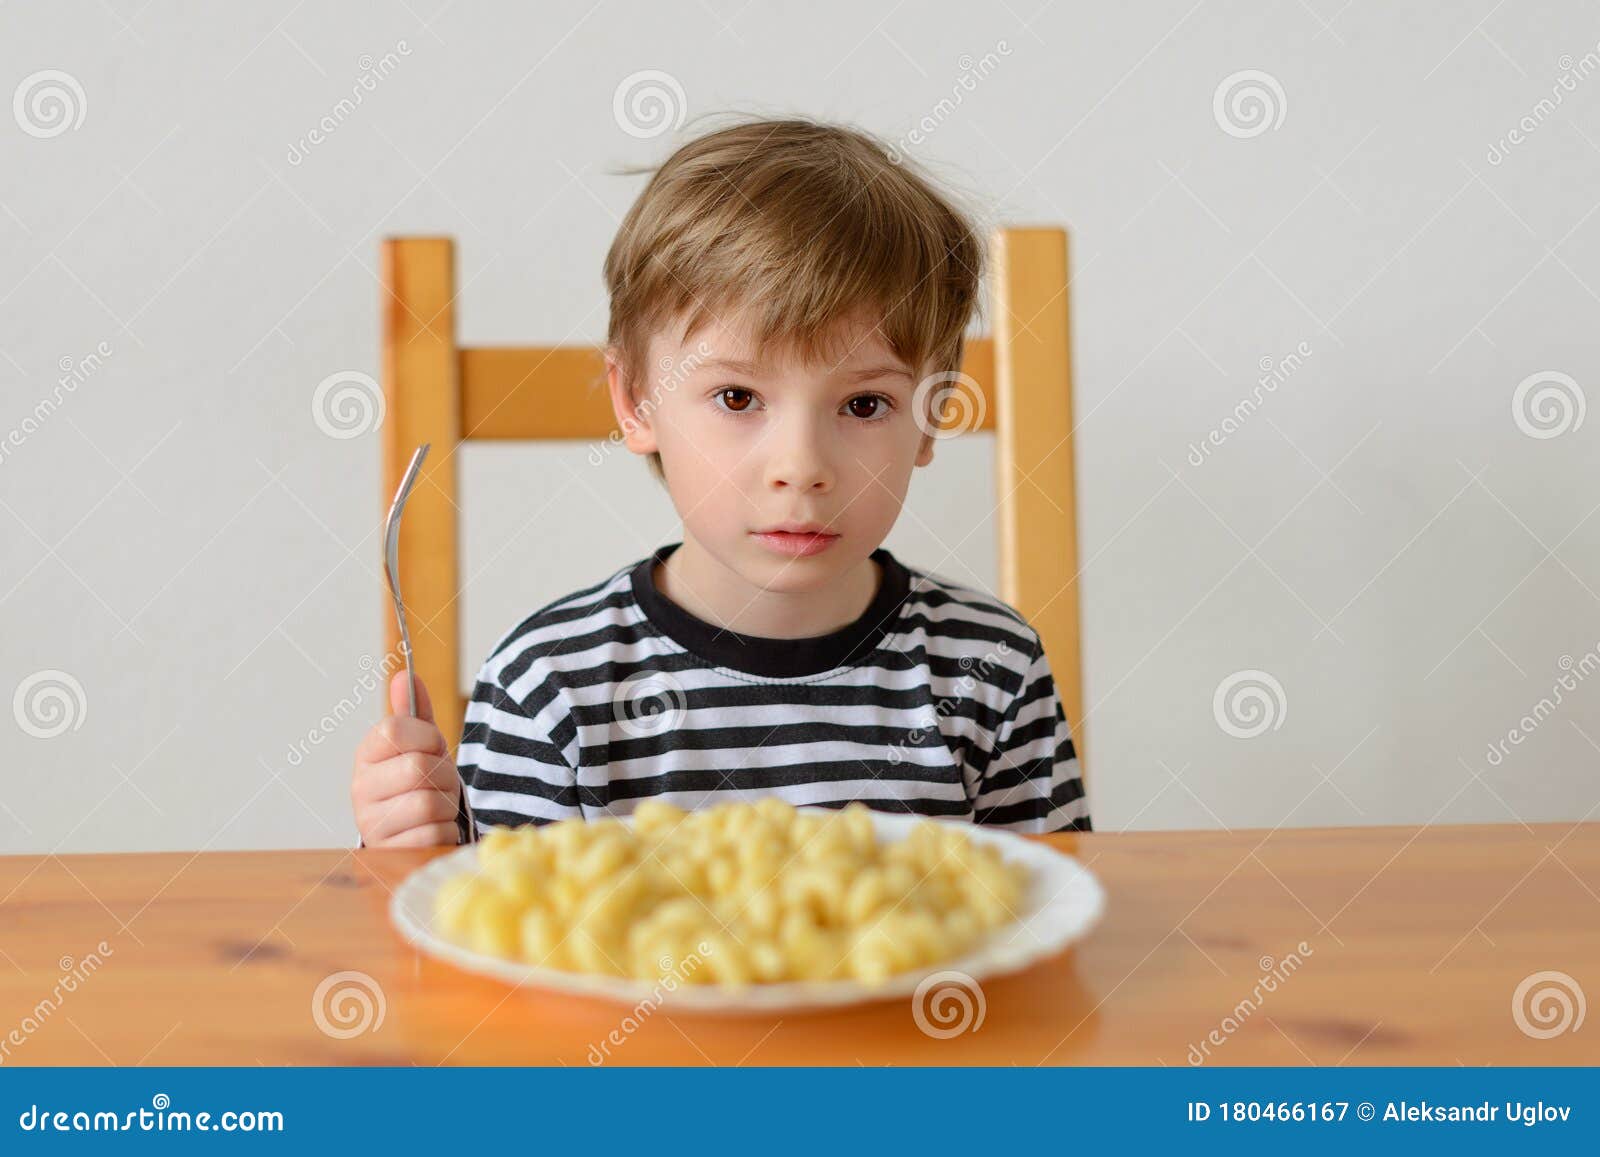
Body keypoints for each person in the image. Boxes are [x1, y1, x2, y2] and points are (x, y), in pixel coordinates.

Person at [351, 116, 1090, 847]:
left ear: (929, 420)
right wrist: (411, 862)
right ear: (636, 402)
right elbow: (484, 946)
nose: (801, 466)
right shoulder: (549, 687)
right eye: (738, 398)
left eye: (865, 404)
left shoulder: (992, 669)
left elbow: (1056, 926)